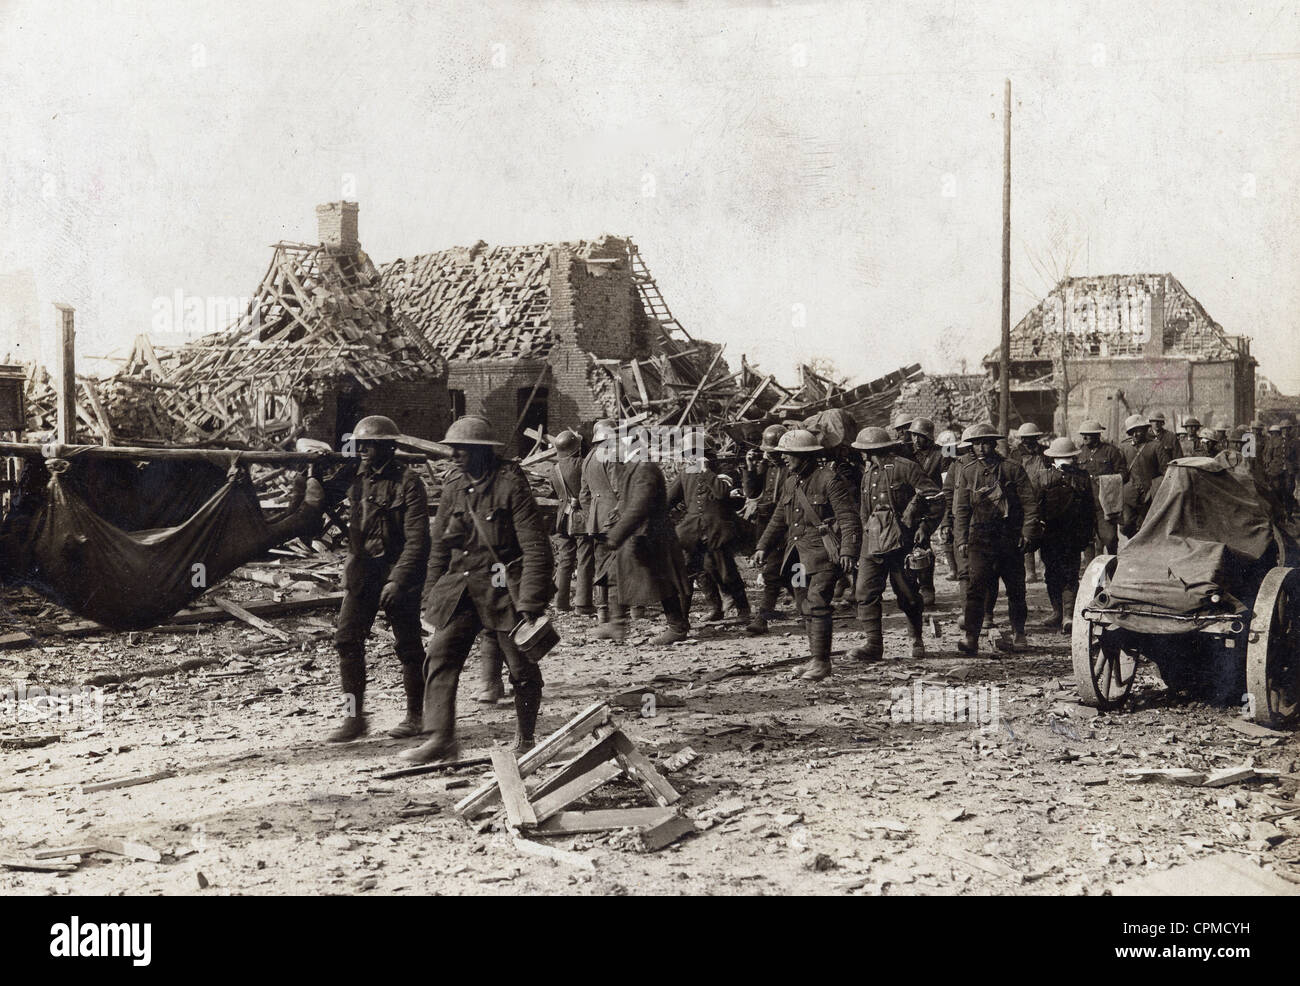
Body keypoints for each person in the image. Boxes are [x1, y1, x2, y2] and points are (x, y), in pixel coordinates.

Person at [399, 415, 553, 763]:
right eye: (452, 448)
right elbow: (439, 547)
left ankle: (526, 737)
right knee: (439, 656)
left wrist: (530, 600)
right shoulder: (454, 487)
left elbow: (535, 547)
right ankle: (441, 739)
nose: (453, 455)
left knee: (521, 669)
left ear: (482, 452)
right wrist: (430, 593)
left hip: (503, 590)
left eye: (462, 450)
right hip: (462, 592)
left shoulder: (511, 485)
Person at [328, 415, 430, 743]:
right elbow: (322, 493)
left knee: (409, 646)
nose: (364, 451)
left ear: (389, 447)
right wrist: (313, 474)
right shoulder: (356, 478)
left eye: (370, 445)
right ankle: (353, 718)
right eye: (360, 446)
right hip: (364, 574)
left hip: (398, 573)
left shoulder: (409, 482)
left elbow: (418, 540)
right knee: (347, 641)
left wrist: (398, 580)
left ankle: (416, 716)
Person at [754, 429, 861, 681]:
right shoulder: (791, 482)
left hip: (824, 555)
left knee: (817, 602)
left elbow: (848, 518)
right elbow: (779, 518)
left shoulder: (829, 479)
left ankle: (822, 663)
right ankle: (815, 658)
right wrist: (762, 546)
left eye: (789, 454)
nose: (784, 459)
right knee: (804, 606)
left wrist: (848, 551)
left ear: (804, 456)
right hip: (797, 558)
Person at [848, 427, 939, 662]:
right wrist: (862, 545)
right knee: (864, 592)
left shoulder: (905, 467)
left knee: (908, 594)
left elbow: (935, 499)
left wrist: (923, 528)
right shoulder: (868, 474)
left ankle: (915, 637)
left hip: (902, 543)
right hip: (873, 543)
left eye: (864, 450)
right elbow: (863, 513)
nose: (861, 454)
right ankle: (873, 645)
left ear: (872, 450)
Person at [952, 421, 1040, 656]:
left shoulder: (1012, 468)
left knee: (1016, 588)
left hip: (1009, 537)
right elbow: (961, 509)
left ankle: (1019, 633)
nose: (981, 447)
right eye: (976, 443)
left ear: (994, 443)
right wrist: (961, 539)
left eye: (985, 442)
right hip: (980, 538)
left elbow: (1029, 504)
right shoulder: (968, 472)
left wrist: (1027, 533)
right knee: (976, 586)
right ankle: (971, 637)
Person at [601, 425, 693, 644]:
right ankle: (617, 624)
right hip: (640, 534)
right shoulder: (634, 466)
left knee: (663, 582)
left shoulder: (645, 468)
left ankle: (678, 628)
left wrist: (617, 534)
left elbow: (640, 505)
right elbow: (627, 503)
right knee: (617, 575)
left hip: (650, 536)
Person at [669, 432, 749, 622]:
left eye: (694, 452)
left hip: (717, 530)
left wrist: (706, 471)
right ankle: (708, 610)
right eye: (688, 453)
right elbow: (668, 499)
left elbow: (722, 494)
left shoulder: (724, 471)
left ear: (706, 453)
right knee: (694, 571)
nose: (690, 457)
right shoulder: (686, 474)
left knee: (726, 571)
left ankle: (744, 609)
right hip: (692, 531)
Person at [1036, 438, 1094, 633]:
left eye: (1068, 457)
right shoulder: (1043, 477)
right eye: (1062, 458)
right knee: (1051, 574)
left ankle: (1068, 615)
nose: (1065, 461)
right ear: (1053, 459)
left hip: (1072, 535)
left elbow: (1089, 508)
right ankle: (1057, 612)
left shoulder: (1082, 477)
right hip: (1050, 536)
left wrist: (1086, 535)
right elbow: (1036, 507)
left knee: (1070, 575)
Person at [948, 424, 998, 632]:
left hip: (985, 527)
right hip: (962, 526)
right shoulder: (957, 466)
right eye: (972, 445)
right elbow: (948, 496)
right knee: (964, 572)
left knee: (988, 572)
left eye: (982, 444)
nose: (976, 449)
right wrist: (946, 524)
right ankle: (967, 612)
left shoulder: (996, 466)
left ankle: (987, 613)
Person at [580, 418, 626, 641]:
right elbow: (619, 489)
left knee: (601, 565)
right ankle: (628, 612)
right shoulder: (610, 454)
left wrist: (593, 516)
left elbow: (584, 495)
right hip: (614, 517)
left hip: (596, 520)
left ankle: (603, 613)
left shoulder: (588, 458)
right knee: (620, 563)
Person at [744, 425, 791, 634]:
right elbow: (752, 491)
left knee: (773, 572)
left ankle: (763, 616)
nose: (768, 455)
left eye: (772, 452)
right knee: (787, 572)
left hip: (787, 525)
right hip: (767, 522)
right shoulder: (768, 466)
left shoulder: (792, 467)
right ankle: (809, 608)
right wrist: (751, 468)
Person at [547, 429, 594, 615]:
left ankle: (561, 603)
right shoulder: (583, 464)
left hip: (562, 519)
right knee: (584, 559)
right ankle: (582, 604)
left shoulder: (554, 469)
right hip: (580, 518)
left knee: (565, 560)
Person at [1075, 419, 1127, 559]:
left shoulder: (1110, 451)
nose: (1084, 438)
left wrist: (1107, 480)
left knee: (1109, 539)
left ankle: (1112, 568)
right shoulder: (1079, 452)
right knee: (1087, 539)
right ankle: (1091, 574)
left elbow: (1123, 474)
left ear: (1097, 435)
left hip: (1105, 504)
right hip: (1086, 504)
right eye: (1083, 435)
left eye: (1088, 435)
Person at [906, 417, 943, 605]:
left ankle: (927, 586)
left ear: (929, 437)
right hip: (909, 506)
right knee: (906, 547)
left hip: (931, 505)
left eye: (920, 436)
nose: (916, 440)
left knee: (923, 545)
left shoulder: (940, 454)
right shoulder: (907, 454)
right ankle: (911, 588)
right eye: (913, 435)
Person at [1009, 423, 1049, 582]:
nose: (1029, 443)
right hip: (1024, 497)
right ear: (1021, 440)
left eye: (1032, 439)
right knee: (1027, 530)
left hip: (1043, 495)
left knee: (1044, 532)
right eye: (1025, 440)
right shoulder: (1015, 454)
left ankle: (1045, 567)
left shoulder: (1045, 452)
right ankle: (1030, 570)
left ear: (1037, 438)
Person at [1120, 414, 1165, 537]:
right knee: (1126, 525)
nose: (1135, 435)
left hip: (1150, 493)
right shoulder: (1124, 447)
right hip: (1130, 493)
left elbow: (1165, 470)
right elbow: (1122, 469)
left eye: (1138, 431)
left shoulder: (1155, 446)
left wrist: (1156, 486)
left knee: (1148, 526)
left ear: (1145, 430)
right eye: (1132, 432)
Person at [934, 429, 961, 580]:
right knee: (945, 533)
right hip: (943, 499)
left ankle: (960, 567)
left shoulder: (960, 461)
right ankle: (953, 569)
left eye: (951, 448)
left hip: (957, 499)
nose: (948, 451)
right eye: (946, 448)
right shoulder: (939, 462)